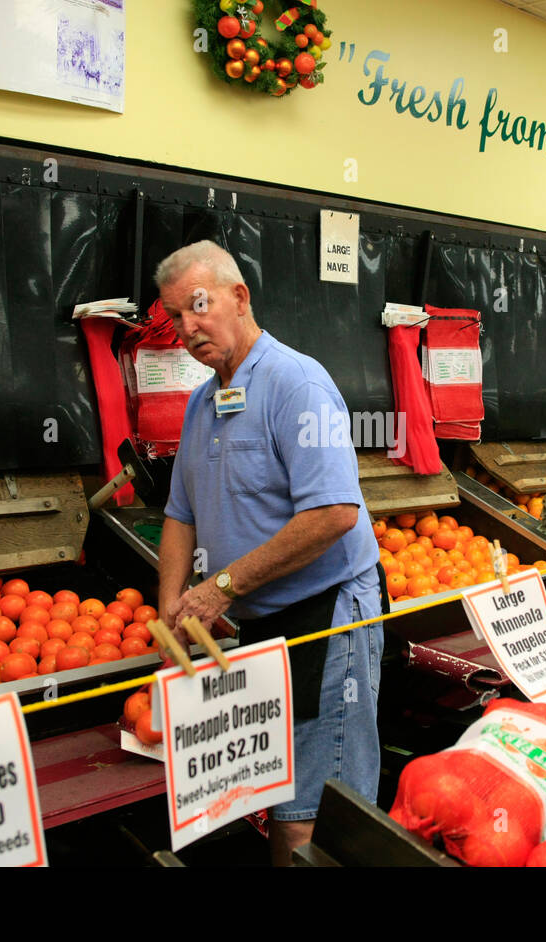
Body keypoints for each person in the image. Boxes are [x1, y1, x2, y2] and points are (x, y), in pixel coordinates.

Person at [153, 240, 385, 866]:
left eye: (197, 306)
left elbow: (336, 513)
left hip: (326, 615)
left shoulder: (297, 384)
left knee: (314, 810)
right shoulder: (202, 403)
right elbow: (180, 514)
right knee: (278, 802)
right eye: (174, 317)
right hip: (261, 624)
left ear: (239, 296)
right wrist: (171, 603)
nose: (187, 328)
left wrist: (220, 588)